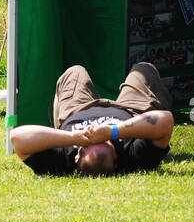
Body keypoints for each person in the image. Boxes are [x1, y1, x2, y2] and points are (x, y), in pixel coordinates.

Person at [10, 62, 174, 176]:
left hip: (77, 110)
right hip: (129, 111)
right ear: (117, 157)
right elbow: (165, 121)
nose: (95, 134)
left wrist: (73, 137)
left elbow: (17, 137)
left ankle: (59, 125)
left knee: (74, 71)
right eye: (104, 142)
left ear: (76, 156)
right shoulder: (133, 156)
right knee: (144, 69)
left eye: (88, 142)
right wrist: (111, 132)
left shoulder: (63, 158)